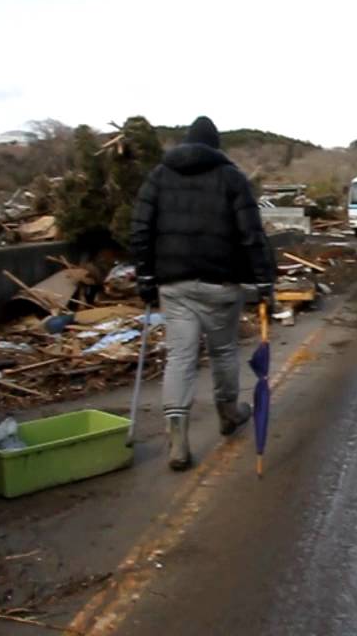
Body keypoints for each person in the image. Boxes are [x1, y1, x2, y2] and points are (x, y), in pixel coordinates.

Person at [130, 116, 276, 470]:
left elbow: (140, 229)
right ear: (215, 146)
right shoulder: (231, 177)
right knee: (223, 351)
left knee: (180, 357)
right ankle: (228, 414)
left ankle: (178, 444)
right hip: (220, 283)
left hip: (174, 284)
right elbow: (251, 235)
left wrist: (145, 277)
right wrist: (264, 282)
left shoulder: (159, 176)